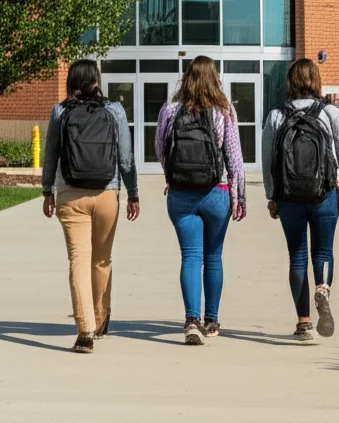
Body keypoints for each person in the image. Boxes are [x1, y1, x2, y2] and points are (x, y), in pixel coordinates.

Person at [42, 59, 139, 354]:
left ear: (71, 81)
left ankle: (84, 330)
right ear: (96, 80)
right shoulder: (115, 110)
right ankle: (99, 319)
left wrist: (47, 190)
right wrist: (133, 193)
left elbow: (51, 156)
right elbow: (125, 158)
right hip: (107, 193)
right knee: (102, 259)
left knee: (78, 261)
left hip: (70, 194)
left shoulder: (60, 111)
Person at [262, 58, 339, 343]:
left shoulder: (277, 116)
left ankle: (303, 323)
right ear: (315, 80)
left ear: (289, 82)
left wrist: (271, 196)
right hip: (325, 192)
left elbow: (268, 161)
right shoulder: (330, 113)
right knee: (323, 252)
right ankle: (323, 288)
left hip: (289, 195)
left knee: (297, 255)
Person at [155, 55, 246, 345]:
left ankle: (191, 320)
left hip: (181, 192)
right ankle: (212, 320)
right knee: (214, 257)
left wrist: (172, 176)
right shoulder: (224, 110)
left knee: (191, 256)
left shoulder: (170, 110)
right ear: (214, 77)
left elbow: (160, 148)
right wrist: (238, 195)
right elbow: (235, 159)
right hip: (216, 192)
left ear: (187, 77)